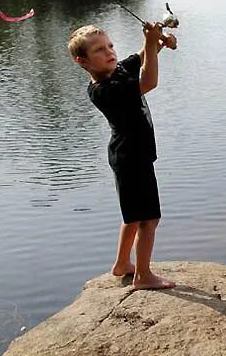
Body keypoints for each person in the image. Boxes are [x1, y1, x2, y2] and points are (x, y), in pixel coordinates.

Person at [69, 22, 177, 291]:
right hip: (132, 158)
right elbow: (148, 81)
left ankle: (121, 264)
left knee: (132, 216)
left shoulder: (115, 72)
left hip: (129, 156)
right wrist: (153, 43)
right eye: (99, 50)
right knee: (148, 219)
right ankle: (143, 276)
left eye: (110, 46)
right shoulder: (106, 90)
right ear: (83, 62)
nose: (109, 52)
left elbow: (140, 57)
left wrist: (159, 43)